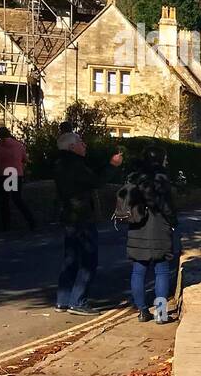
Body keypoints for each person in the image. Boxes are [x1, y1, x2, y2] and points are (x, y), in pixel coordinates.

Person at [54, 131, 123, 314]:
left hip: (68, 217)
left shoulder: (61, 163)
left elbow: (89, 179)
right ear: (71, 147)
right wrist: (113, 165)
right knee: (88, 260)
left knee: (71, 259)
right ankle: (78, 301)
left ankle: (62, 300)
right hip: (81, 218)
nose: (84, 145)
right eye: (80, 142)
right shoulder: (75, 165)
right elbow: (97, 182)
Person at [119, 145, 178, 323]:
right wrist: (174, 222)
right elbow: (165, 206)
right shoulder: (161, 178)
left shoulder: (134, 177)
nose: (166, 160)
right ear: (159, 159)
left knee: (138, 272)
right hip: (159, 227)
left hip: (137, 227)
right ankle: (161, 313)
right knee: (161, 271)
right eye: (165, 157)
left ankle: (142, 311)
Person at [0, 126, 36, 231]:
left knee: (4, 200)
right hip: (15, 173)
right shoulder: (19, 145)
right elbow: (25, 159)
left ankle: (6, 225)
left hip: (4, 174)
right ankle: (31, 221)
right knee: (17, 199)